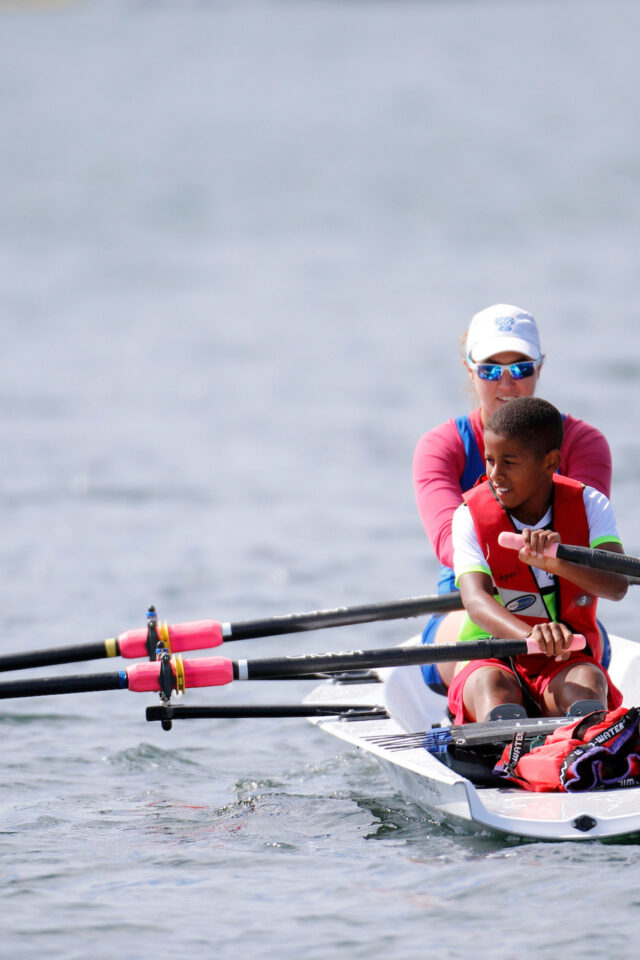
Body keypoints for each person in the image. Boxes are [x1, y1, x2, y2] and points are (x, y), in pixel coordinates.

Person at [413, 303, 613, 691]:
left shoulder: (584, 443)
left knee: (583, 655)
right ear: (469, 369)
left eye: (521, 368)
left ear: (540, 367)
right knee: (491, 672)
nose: (507, 384)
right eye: (490, 370)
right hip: (470, 601)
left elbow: (591, 544)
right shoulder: (442, 446)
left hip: (564, 607)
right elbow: (448, 544)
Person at [446, 396, 627, 724]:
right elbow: (475, 600)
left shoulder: (590, 505)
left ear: (551, 461)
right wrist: (530, 635)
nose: (495, 475)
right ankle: (504, 742)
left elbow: (617, 586)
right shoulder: (468, 516)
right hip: (492, 652)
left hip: (566, 652)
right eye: (489, 461)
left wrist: (556, 564)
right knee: (495, 692)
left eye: (509, 462)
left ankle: (585, 743)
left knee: (586, 688)